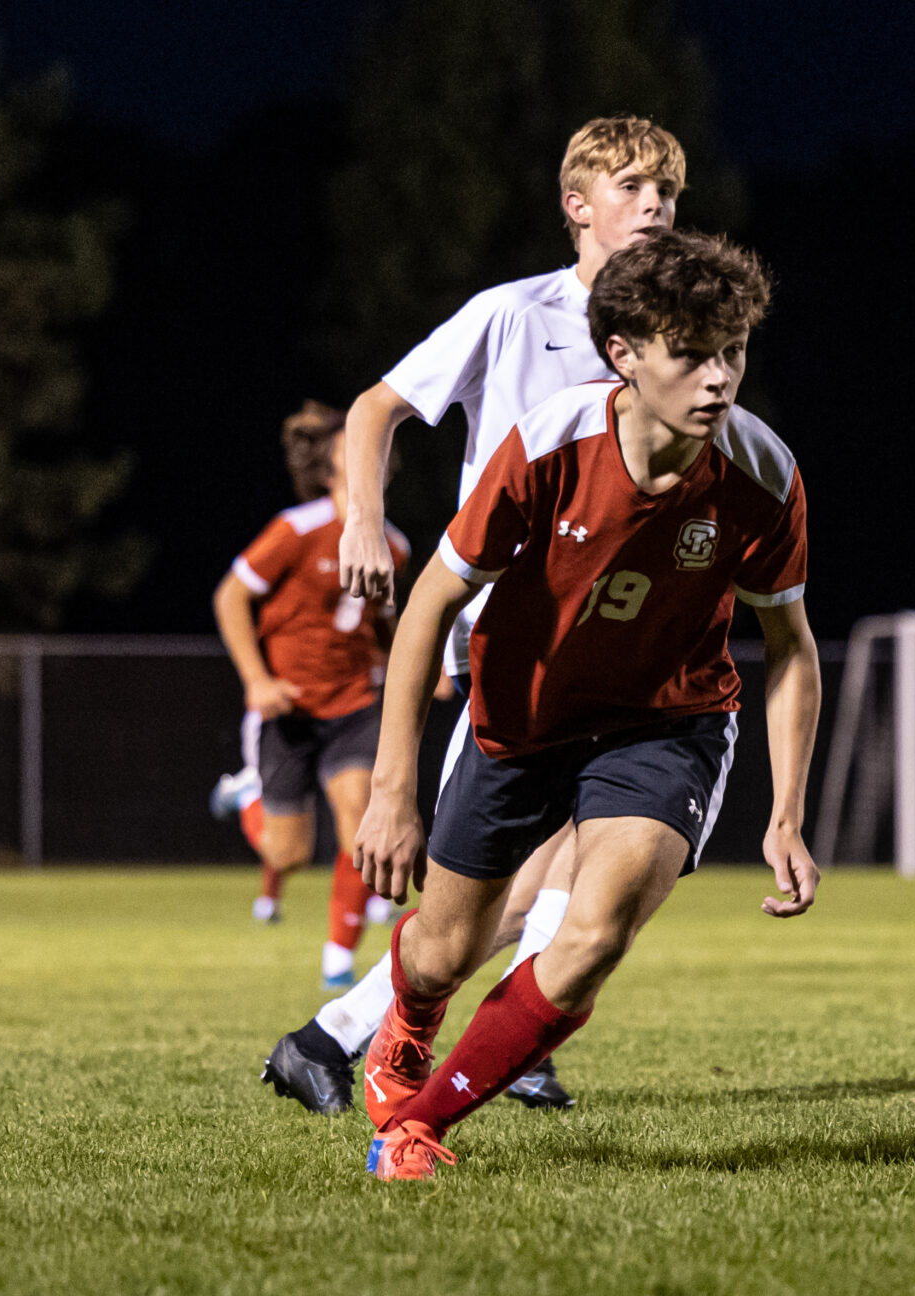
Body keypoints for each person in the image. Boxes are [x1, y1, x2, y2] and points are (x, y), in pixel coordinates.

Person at [354, 228, 821, 1182]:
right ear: (625, 355)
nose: (717, 376)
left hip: (669, 721)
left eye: (731, 350)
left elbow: (791, 648)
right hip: (524, 715)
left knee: (596, 930)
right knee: (445, 950)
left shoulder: (763, 474)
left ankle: (421, 1125)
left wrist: (785, 814)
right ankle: (406, 1022)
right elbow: (432, 600)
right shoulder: (548, 443)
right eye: (690, 353)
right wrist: (392, 788)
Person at [260, 115, 688, 1115]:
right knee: (485, 883)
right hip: (513, 634)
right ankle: (354, 1037)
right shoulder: (513, 315)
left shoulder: (675, 336)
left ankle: (396, 1037)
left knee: (581, 865)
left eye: (667, 193)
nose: (657, 208)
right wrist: (364, 520)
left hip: (619, 639)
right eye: (634, 188)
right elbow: (373, 410)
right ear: (578, 207)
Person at [210, 401, 409, 988]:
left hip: (353, 704)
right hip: (289, 707)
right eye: (355, 442)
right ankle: (248, 795)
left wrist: (419, 666)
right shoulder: (297, 529)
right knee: (288, 854)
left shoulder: (393, 545)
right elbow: (229, 597)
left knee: (360, 826)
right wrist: (257, 679)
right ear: (330, 467)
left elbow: (381, 627)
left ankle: (338, 959)